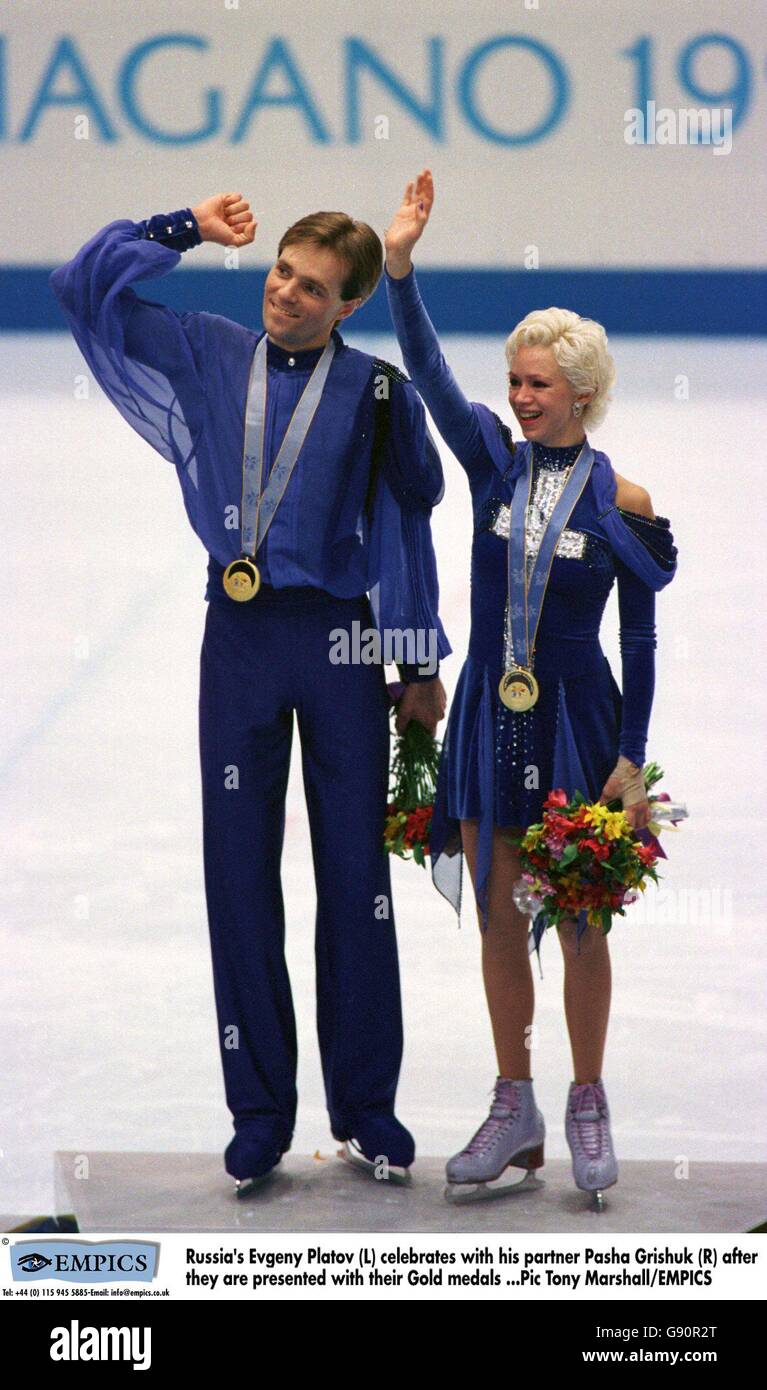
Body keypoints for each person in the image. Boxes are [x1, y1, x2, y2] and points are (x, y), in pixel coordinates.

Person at [49, 191, 450, 1193]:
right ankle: (259, 1114)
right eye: (278, 271)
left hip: (341, 644)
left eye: (311, 287)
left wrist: (416, 664)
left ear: (346, 303)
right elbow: (83, 283)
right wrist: (180, 227)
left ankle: (365, 1108)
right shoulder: (209, 350)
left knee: (354, 881)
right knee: (238, 876)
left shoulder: (375, 394)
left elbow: (408, 522)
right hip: (236, 638)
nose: (285, 293)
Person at [384, 169, 677, 1204]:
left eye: (536, 385)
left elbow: (638, 638)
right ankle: (513, 1104)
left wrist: (627, 756)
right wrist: (400, 270)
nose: (517, 397)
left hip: (574, 716)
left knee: (580, 917)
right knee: (501, 919)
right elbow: (423, 373)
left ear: (581, 394)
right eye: (512, 381)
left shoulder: (621, 499)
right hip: (485, 717)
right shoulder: (491, 466)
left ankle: (586, 1097)